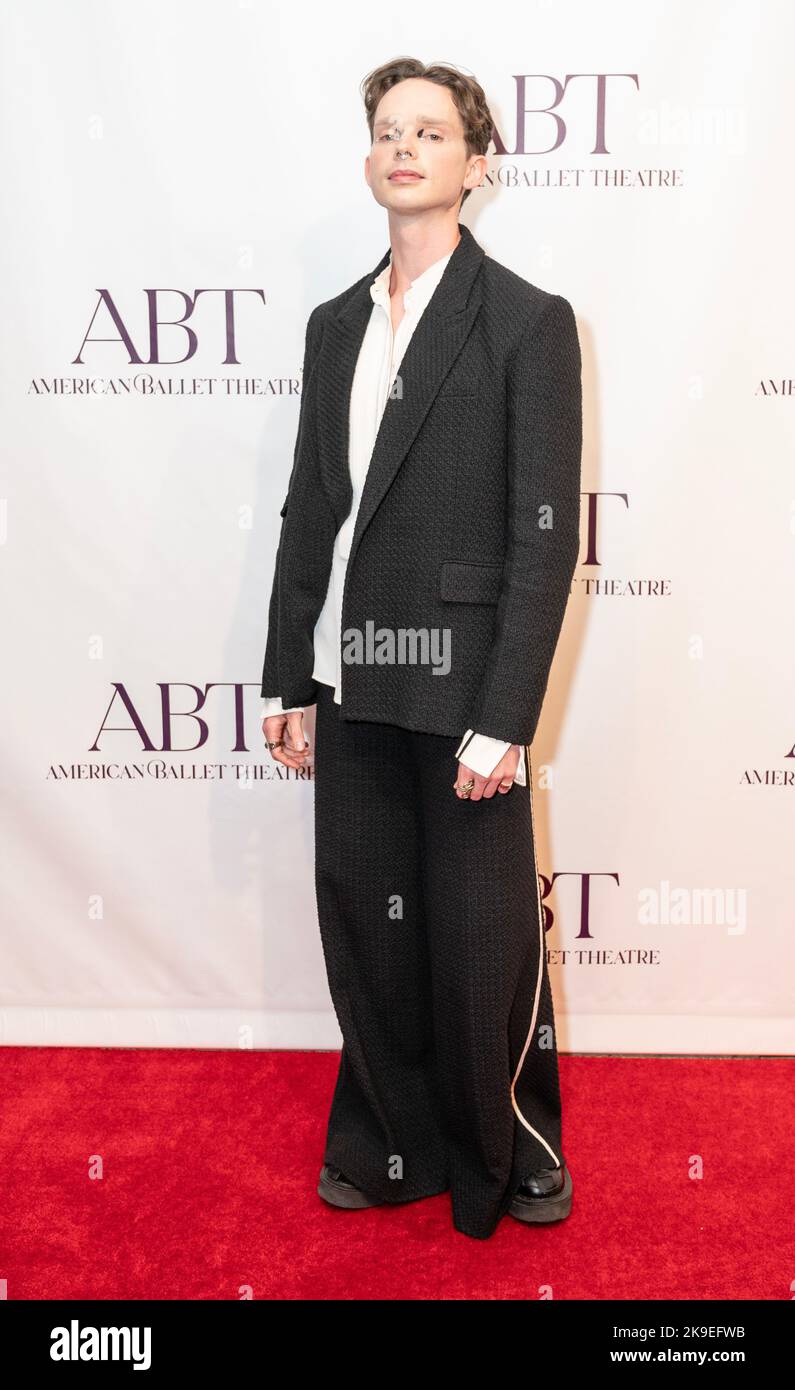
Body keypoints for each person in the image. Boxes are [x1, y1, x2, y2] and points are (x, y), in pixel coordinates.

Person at [259, 55, 582, 1240]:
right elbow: (312, 505)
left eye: (431, 132)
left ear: (474, 165)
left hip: (463, 692)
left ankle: (518, 1143)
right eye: (389, 131)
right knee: (366, 924)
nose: (406, 147)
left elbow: (541, 540)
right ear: (369, 163)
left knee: (485, 941)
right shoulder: (332, 323)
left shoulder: (529, 324)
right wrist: (289, 671)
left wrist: (506, 716)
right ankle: (395, 1140)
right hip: (351, 679)